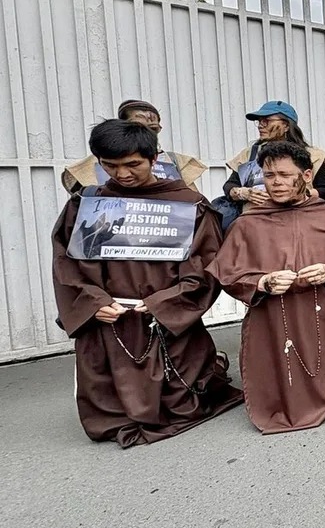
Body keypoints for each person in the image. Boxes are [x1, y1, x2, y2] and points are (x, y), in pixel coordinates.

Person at [51, 120, 241, 447]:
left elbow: (207, 266)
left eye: (132, 165)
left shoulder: (189, 205)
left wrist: (161, 303)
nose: (122, 174)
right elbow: (65, 262)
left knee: (182, 398)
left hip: (163, 319)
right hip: (108, 316)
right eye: (109, 165)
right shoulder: (87, 205)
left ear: (154, 160)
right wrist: (94, 303)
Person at [209, 141, 325, 434]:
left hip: (321, 315)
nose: (276, 183)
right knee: (275, 380)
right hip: (269, 318)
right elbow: (228, 272)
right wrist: (262, 282)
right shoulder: (248, 224)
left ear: (307, 176)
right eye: (269, 176)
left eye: (284, 174)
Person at [218, 101, 325, 229]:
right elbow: (229, 186)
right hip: (254, 225)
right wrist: (243, 193)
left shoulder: (313, 155)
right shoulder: (249, 154)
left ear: (286, 125)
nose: (261, 126)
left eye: (267, 121)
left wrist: (294, 193)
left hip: (299, 224)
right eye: (259, 121)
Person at [61, 100, 207, 194]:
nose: (123, 174)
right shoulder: (92, 166)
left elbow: (192, 204)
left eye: (153, 129)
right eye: (138, 127)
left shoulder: (177, 161)